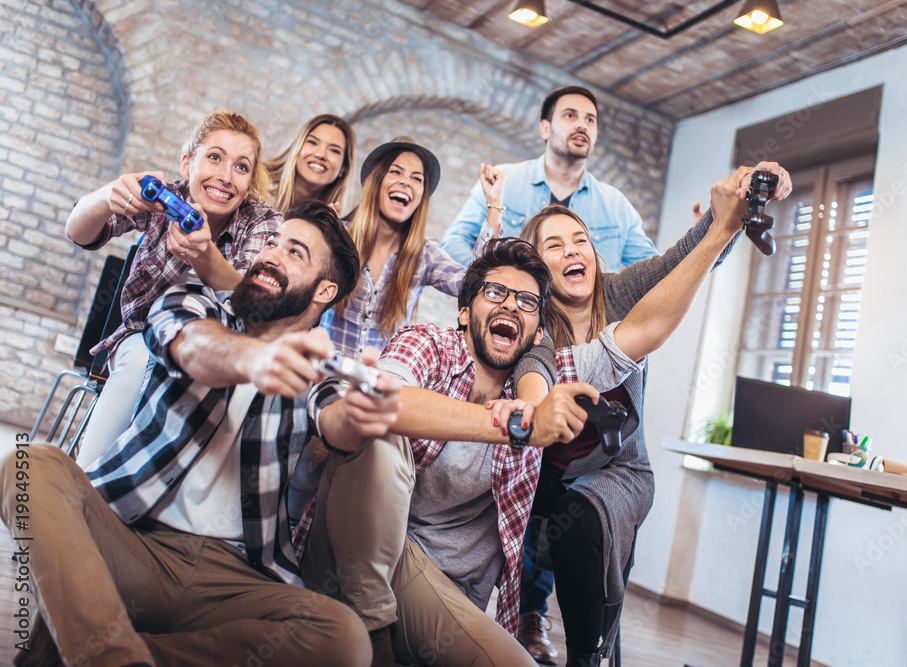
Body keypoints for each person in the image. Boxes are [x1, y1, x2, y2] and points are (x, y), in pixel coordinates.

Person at [1, 202, 412, 667]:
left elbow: (336, 418)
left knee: (344, 639)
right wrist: (253, 359)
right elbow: (193, 346)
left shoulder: (323, 367)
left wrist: (357, 420)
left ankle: (110, 653)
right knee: (30, 464)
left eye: (295, 251)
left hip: (235, 576)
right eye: (273, 241)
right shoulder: (195, 302)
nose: (271, 254)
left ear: (325, 290)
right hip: (132, 538)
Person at [504, 163, 793, 666]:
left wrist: (750, 187)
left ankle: (586, 656)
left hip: (618, 469)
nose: (573, 250)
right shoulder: (537, 329)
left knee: (580, 529)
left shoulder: (620, 291)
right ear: (539, 271)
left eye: (580, 240)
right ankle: (526, 616)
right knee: (527, 514)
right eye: (555, 245)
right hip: (549, 470)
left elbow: (685, 260)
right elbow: (534, 376)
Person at [297, 238, 608, 666]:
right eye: (495, 293)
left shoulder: (539, 390)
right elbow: (385, 401)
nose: (511, 306)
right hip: (353, 558)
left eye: (526, 301)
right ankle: (374, 635)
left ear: (538, 334)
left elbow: (635, 336)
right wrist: (517, 429)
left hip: (443, 594)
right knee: (379, 431)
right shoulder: (428, 343)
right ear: (464, 312)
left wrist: (717, 230)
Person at [67, 110, 283, 468]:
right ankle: (87, 478)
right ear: (187, 164)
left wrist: (204, 255)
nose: (226, 177)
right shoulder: (164, 197)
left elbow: (249, 296)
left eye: (241, 167)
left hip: (215, 354)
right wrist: (107, 196)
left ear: (249, 182)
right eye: (214, 157)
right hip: (141, 338)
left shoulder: (262, 222)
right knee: (141, 360)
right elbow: (78, 232)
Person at [440, 85, 658, 271]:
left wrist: (693, 244)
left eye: (590, 120)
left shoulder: (616, 205)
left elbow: (653, 271)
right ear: (545, 128)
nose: (582, 125)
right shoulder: (502, 183)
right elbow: (454, 242)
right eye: (570, 115)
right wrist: (484, 283)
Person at [320, 137, 502, 357]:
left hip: (376, 384)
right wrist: (320, 235)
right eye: (396, 172)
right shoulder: (340, 234)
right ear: (375, 180)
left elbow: (478, 285)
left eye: (417, 178)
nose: (406, 182)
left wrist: (494, 205)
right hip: (320, 376)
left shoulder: (424, 257)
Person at [263, 113, 356, 213]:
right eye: (313, 142)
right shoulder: (257, 187)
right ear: (297, 148)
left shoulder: (337, 221)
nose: (320, 154)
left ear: (343, 168)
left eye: (334, 150)